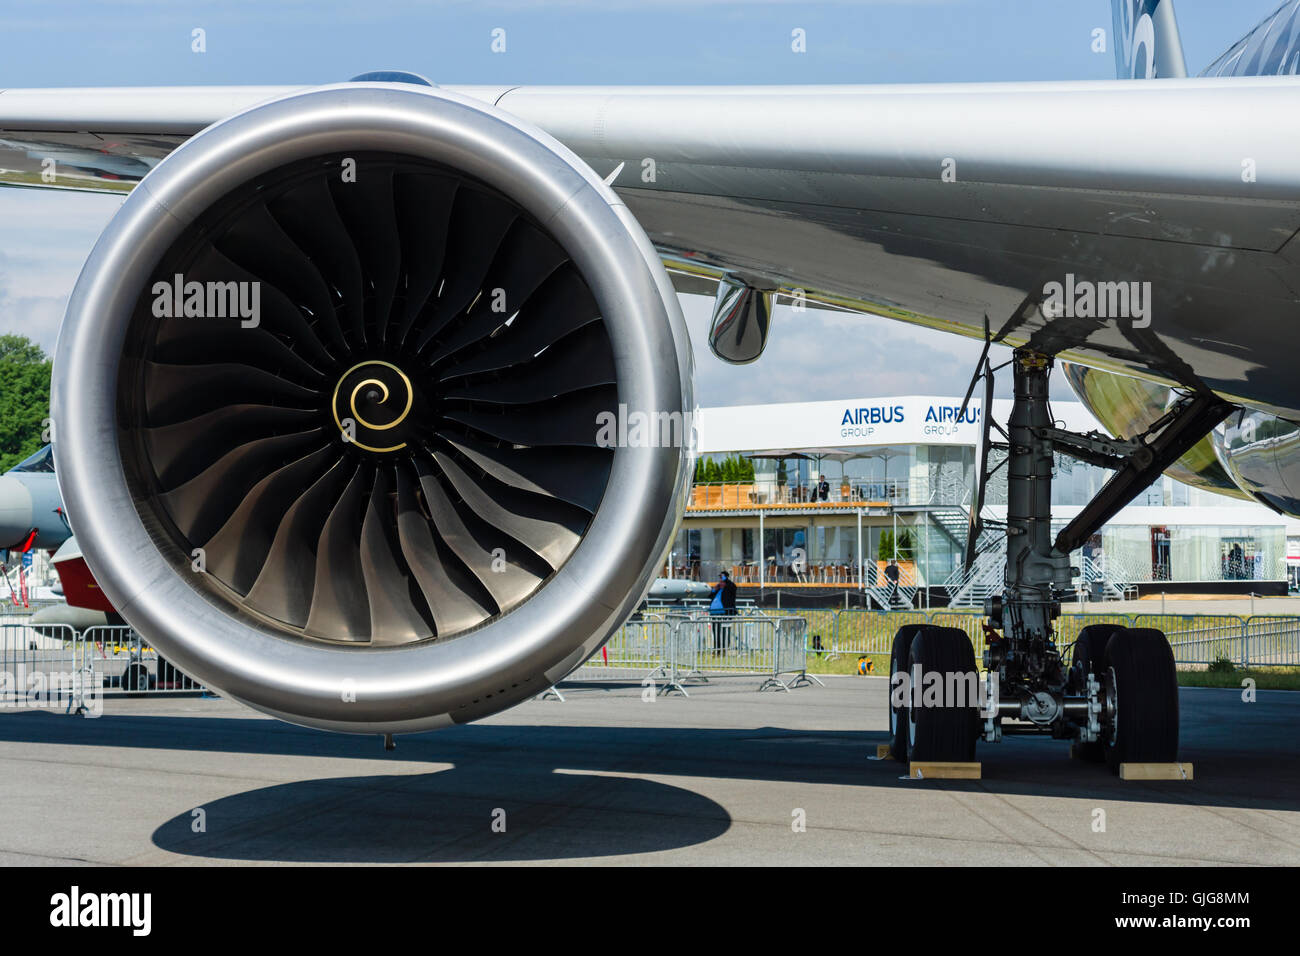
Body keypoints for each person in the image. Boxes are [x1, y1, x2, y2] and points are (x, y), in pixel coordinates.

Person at [708, 571, 738, 652]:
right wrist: (714, 589)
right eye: (720, 581)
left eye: (722, 581)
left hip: (724, 613)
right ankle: (717, 649)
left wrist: (725, 579)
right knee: (716, 632)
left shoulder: (729, 588)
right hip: (714, 614)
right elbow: (710, 595)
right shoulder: (718, 589)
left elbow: (732, 586)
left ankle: (723, 649)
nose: (720, 583)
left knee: (724, 633)